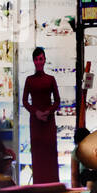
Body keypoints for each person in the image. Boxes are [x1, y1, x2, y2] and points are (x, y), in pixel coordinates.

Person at [22, 46, 61, 184]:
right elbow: (25, 101)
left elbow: (57, 100)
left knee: (50, 153)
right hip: (36, 122)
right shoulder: (29, 80)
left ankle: (52, 185)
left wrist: (48, 111)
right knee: (38, 154)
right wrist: (36, 112)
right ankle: (38, 184)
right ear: (33, 61)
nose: (39, 61)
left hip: (48, 121)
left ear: (44, 60)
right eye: (37, 59)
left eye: (41, 59)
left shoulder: (51, 79)